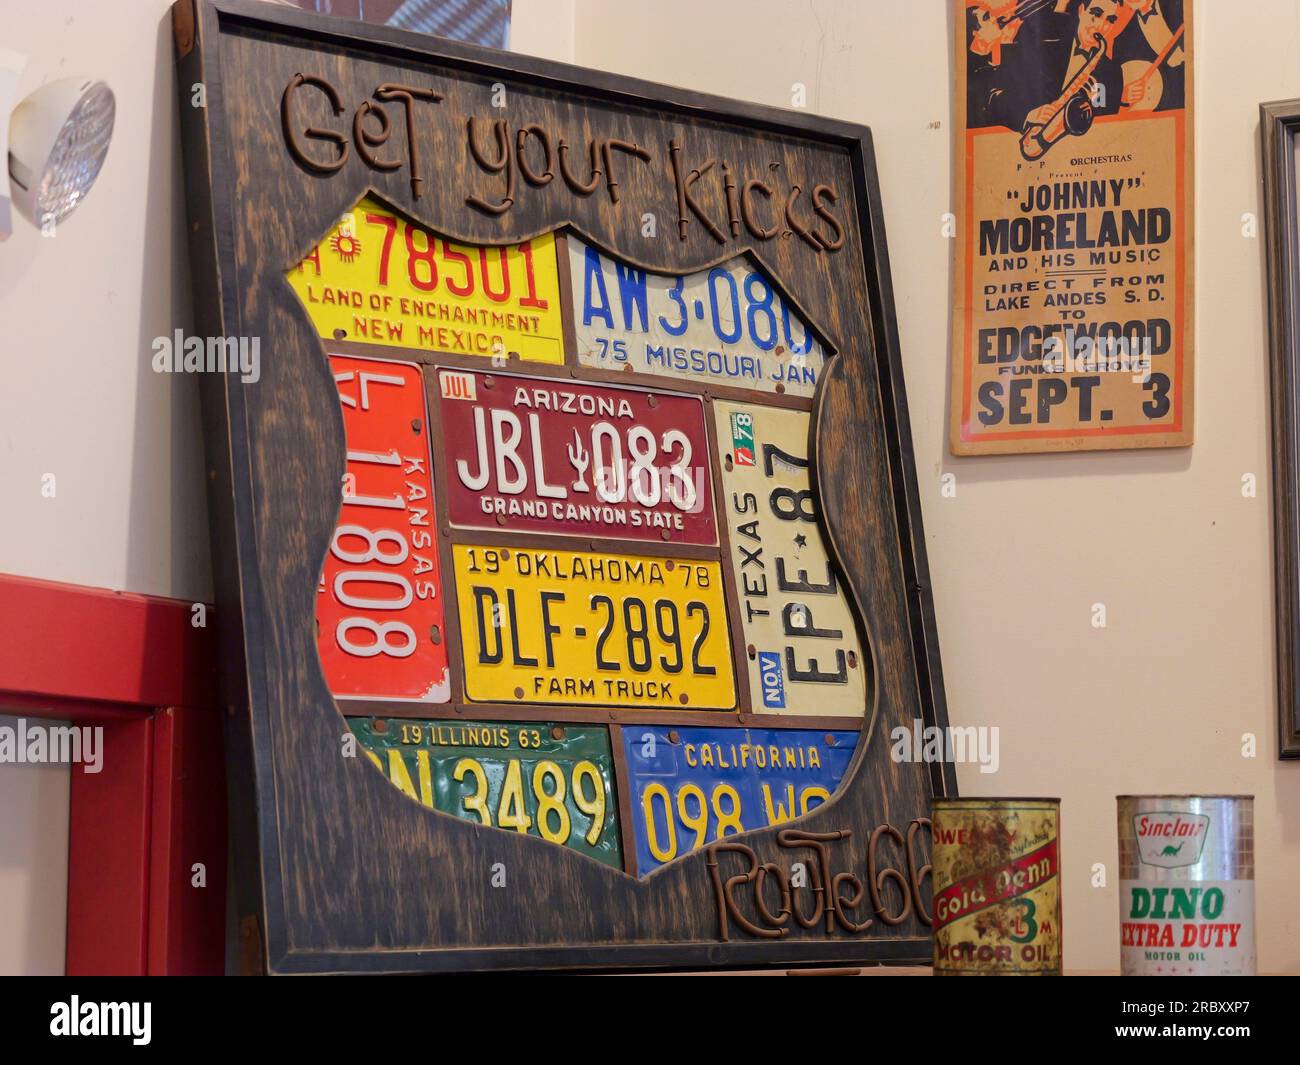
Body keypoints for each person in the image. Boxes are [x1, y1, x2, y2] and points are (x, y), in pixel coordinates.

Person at [969, 0, 1125, 134]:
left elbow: (1105, 124)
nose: (1101, 25)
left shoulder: (1111, 72)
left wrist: (1092, 105)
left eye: (1110, 20)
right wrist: (1028, 114)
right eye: (1096, 13)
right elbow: (1001, 93)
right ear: (1081, 10)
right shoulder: (1045, 40)